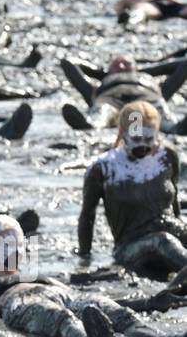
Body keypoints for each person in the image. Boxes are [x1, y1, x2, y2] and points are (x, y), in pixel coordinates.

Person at [0, 216, 187, 337]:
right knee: (60, 319)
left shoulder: (42, 276)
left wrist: (149, 302)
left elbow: (90, 302)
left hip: (63, 294)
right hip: (19, 302)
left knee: (115, 313)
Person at [78, 102, 187, 279]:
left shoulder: (167, 156)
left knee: (169, 239)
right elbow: (87, 217)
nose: (142, 146)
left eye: (149, 139)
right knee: (163, 241)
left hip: (171, 230)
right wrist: (84, 261)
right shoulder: (103, 168)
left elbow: (173, 200)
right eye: (136, 139)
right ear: (122, 133)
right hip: (130, 247)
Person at [59, 54, 187, 133]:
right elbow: (68, 62)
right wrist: (101, 73)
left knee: (159, 111)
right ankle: (90, 125)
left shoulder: (153, 84)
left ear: (135, 67)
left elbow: (184, 64)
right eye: (116, 64)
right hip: (111, 101)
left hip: (148, 100)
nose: (121, 66)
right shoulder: (96, 89)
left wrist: (144, 71)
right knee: (102, 112)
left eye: (127, 64)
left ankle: (175, 129)